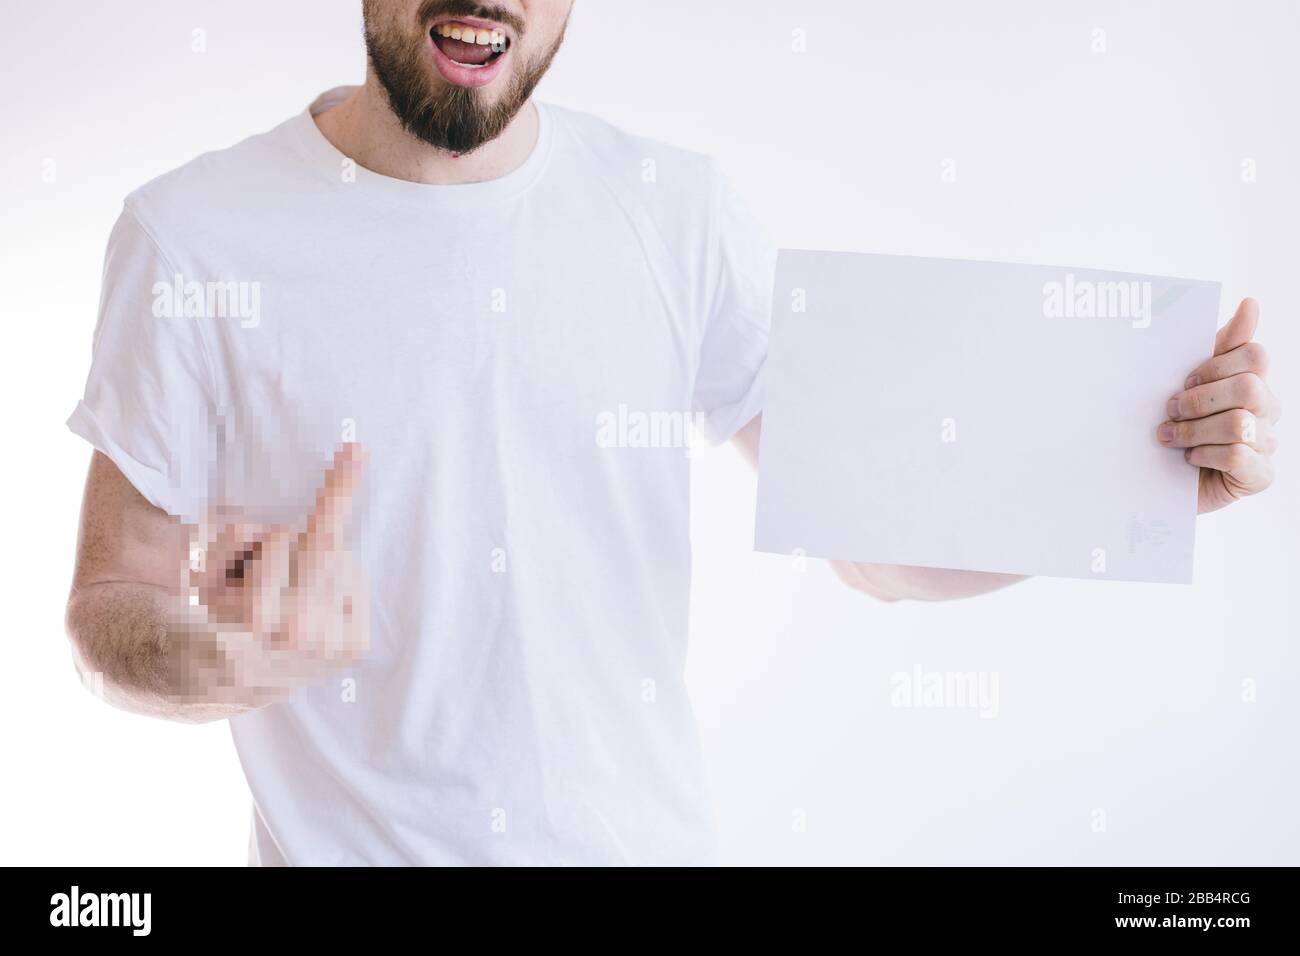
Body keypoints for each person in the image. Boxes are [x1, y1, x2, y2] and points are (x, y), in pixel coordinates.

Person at [64, 0, 1281, 865]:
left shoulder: (674, 214)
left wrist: (1146, 475)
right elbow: (108, 604)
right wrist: (229, 661)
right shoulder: (194, 236)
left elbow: (874, 545)